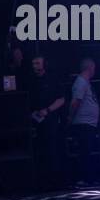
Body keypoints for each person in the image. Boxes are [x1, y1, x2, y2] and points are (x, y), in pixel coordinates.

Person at [27, 54, 67, 188]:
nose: (35, 66)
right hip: (36, 121)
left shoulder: (52, 79)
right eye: (33, 64)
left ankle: (56, 181)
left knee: (53, 149)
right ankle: (42, 182)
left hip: (51, 120)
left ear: (44, 64)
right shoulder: (31, 82)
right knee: (40, 150)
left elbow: (61, 99)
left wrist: (48, 110)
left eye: (37, 63)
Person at [68, 57, 100, 185]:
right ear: (90, 68)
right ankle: (84, 179)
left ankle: (89, 178)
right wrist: (70, 118)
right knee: (84, 152)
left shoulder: (86, 82)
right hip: (83, 123)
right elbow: (75, 102)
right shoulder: (81, 82)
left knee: (87, 151)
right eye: (94, 68)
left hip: (89, 123)